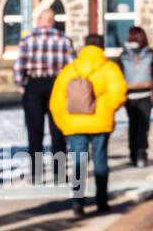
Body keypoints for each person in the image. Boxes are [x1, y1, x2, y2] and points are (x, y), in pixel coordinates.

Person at [50, 34, 127, 219]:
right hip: (100, 122)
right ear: (102, 47)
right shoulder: (109, 68)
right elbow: (119, 92)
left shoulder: (70, 69)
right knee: (100, 161)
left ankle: (78, 204)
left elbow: (57, 99)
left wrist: (64, 121)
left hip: (74, 122)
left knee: (79, 163)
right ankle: (102, 202)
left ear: (84, 46)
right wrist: (104, 108)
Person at [12, 7, 75, 179]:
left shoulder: (28, 39)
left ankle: (36, 171)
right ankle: (59, 171)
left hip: (34, 84)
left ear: (39, 21)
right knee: (58, 129)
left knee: (34, 130)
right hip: (57, 84)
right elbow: (72, 66)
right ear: (53, 21)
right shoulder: (63, 39)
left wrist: (21, 83)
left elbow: (19, 65)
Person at [115, 26, 153, 167]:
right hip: (146, 94)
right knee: (143, 125)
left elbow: (119, 75)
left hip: (129, 96)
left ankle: (133, 154)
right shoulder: (150, 53)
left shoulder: (123, 54)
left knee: (132, 124)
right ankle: (141, 154)